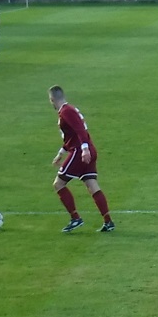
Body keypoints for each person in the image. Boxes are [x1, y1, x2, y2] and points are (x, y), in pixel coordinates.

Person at [48, 85, 115, 233]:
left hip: (80, 152)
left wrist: (84, 149)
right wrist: (61, 153)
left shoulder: (66, 111)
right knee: (92, 184)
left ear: (52, 99)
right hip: (87, 149)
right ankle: (108, 221)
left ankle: (75, 218)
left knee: (58, 184)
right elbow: (71, 137)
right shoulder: (69, 110)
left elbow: (80, 130)